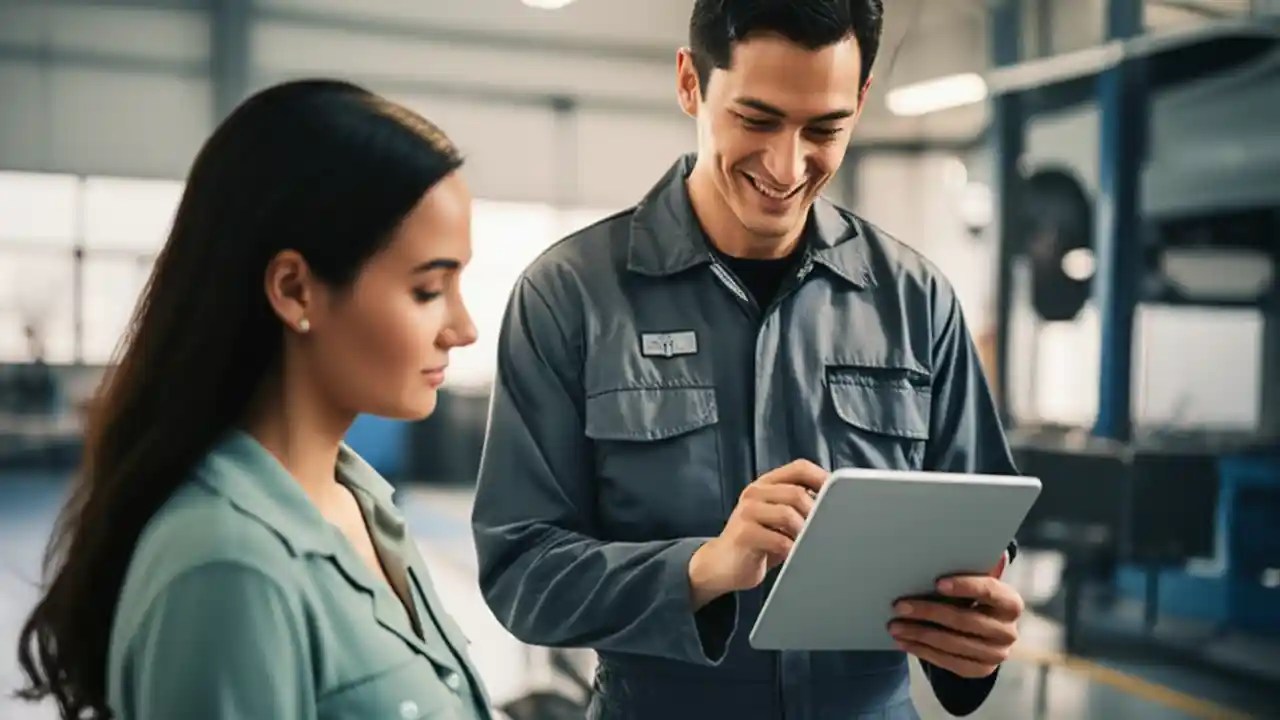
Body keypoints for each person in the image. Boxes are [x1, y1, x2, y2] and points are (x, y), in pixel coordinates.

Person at [471, 2, 1025, 718]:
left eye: (824, 128)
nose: (787, 165)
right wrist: (701, 569)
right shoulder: (572, 298)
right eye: (757, 120)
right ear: (690, 83)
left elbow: (979, 532)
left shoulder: (916, 302)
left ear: (860, 102)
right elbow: (523, 571)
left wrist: (973, 635)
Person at [17, 79, 493, 720]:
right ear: (296, 290)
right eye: (429, 289)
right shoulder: (228, 569)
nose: (463, 329)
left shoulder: (361, 505)